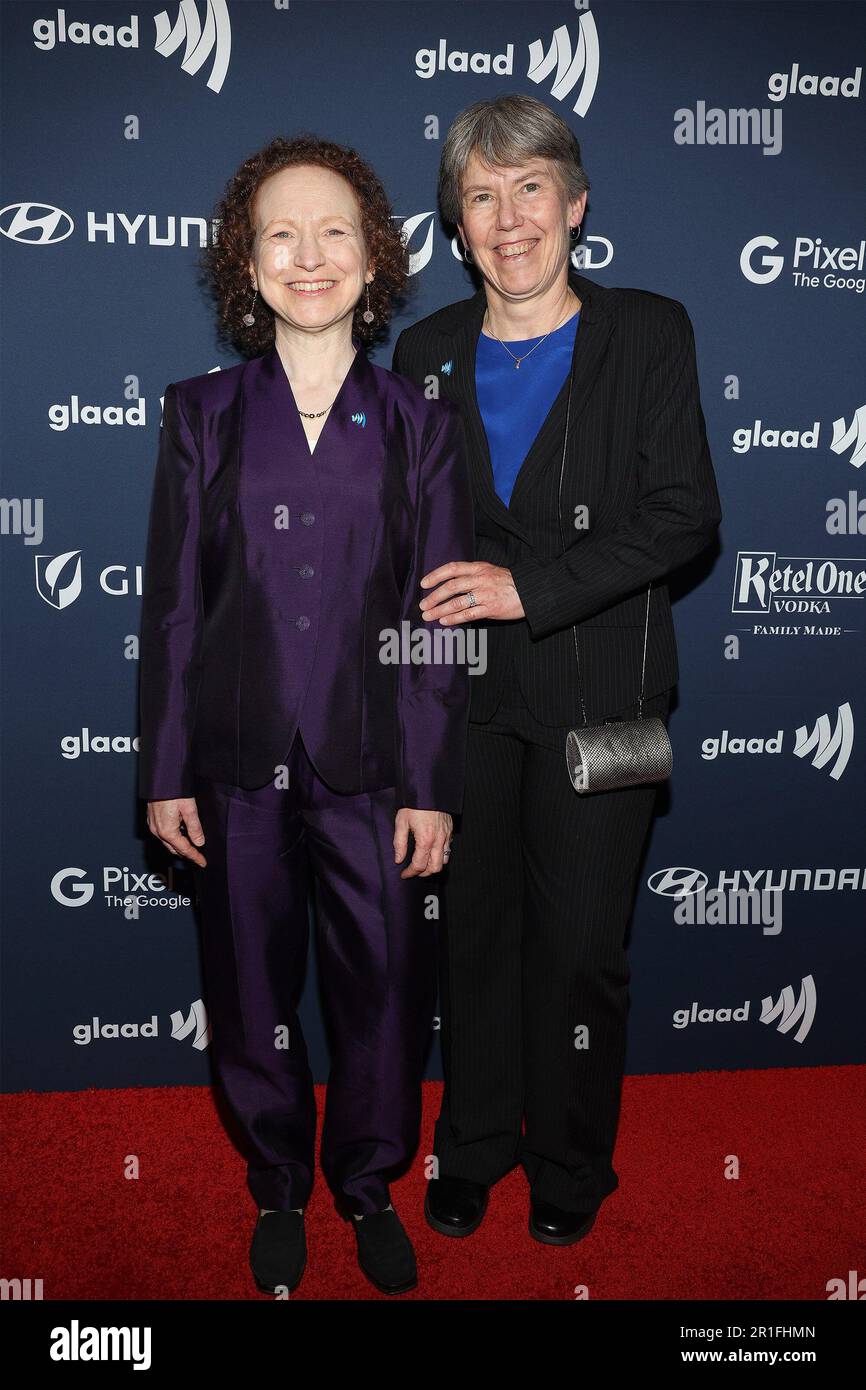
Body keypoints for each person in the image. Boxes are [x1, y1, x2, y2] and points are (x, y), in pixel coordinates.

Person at [138, 135, 474, 1295]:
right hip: (233, 765)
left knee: (384, 989)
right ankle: (278, 1177)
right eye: (278, 232)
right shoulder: (200, 415)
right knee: (246, 985)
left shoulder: (421, 420)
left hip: (375, 764)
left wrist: (432, 783)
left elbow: (437, 618)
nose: (308, 253)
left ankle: (370, 1179)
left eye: (334, 229)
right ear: (246, 261)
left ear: (374, 256)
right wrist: (165, 764)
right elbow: (175, 606)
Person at [392, 94, 722, 1246]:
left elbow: (685, 515)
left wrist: (531, 587)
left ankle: (571, 1162)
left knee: (580, 952)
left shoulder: (649, 331)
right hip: (467, 705)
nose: (507, 217)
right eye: (479, 197)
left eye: (528, 188)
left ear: (574, 204)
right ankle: (475, 1143)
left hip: (604, 700)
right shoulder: (423, 353)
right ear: (456, 223)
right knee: (471, 940)